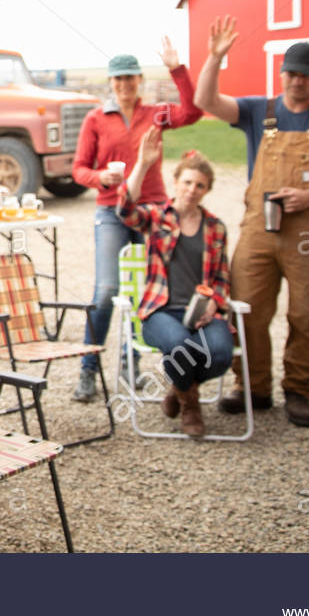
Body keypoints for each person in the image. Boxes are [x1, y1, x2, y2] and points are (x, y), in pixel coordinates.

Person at [195, 17, 309, 427]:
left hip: (308, 233)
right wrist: (216, 56)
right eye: (290, 73)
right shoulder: (259, 111)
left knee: (308, 314)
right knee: (247, 310)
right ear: (282, 74)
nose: (296, 81)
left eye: (305, 75)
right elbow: (206, 99)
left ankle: (300, 391)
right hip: (258, 229)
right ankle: (253, 388)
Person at [69, 41, 203, 402]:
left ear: (140, 80)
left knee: (148, 291)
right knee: (108, 290)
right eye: (118, 79)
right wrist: (100, 179)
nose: (124, 84)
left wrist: (178, 70)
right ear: (110, 83)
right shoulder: (96, 119)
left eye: (130, 78)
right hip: (112, 211)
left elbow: (193, 112)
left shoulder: (156, 113)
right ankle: (88, 370)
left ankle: (131, 366)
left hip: (153, 210)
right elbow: (78, 168)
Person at [116, 129, 233, 436]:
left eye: (200, 185)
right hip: (161, 312)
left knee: (221, 353)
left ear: (206, 190)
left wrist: (215, 303)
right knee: (179, 345)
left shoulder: (216, 228)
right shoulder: (157, 217)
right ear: (176, 182)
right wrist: (142, 164)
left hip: (202, 314)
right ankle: (191, 406)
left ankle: (178, 390)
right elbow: (125, 210)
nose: (192, 190)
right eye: (187, 182)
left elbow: (221, 278)